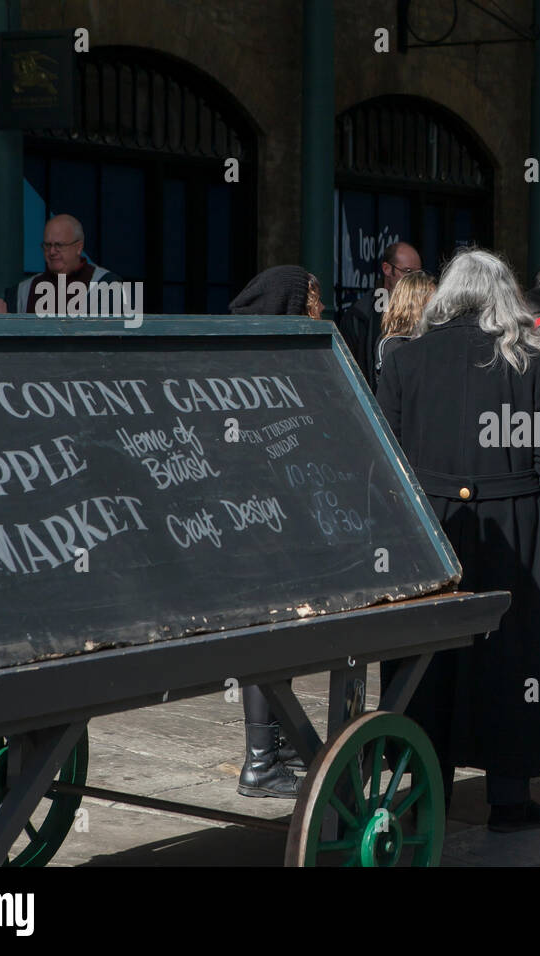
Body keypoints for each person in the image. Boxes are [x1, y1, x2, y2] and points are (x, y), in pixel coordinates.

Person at [376, 248, 540, 833]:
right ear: (504, 296)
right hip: (514, 532)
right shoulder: (534, 364)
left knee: (428, 662)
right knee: (511, 662)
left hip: (431, 528)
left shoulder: (403, 359)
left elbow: (387, 461)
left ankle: (426, 789)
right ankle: (509, 798)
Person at [227, 265, 323, 797]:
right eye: (313, 300)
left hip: (249, 526)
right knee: (268, 640)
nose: (320, 310)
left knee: (270, 641)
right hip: (268, 529)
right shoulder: (282, 363)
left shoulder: (235, 354)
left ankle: (278, 738)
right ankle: (260, 763)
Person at [338, 241, 422, 389]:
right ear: (387, 269)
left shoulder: (425, 308)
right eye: (408, 272)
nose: (414, 280)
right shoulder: (361, 314)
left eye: (418, 273)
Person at [15, 214, 121, 314]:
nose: (52, 252)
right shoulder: (25, 290)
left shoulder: (106, 285)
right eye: (47, 245)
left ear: (79, 247)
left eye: (59, 245)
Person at [375, 270, 435, 382]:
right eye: (432, 303)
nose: (437, 308)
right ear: (415, 305)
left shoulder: (433, 338)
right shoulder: (393, 345)